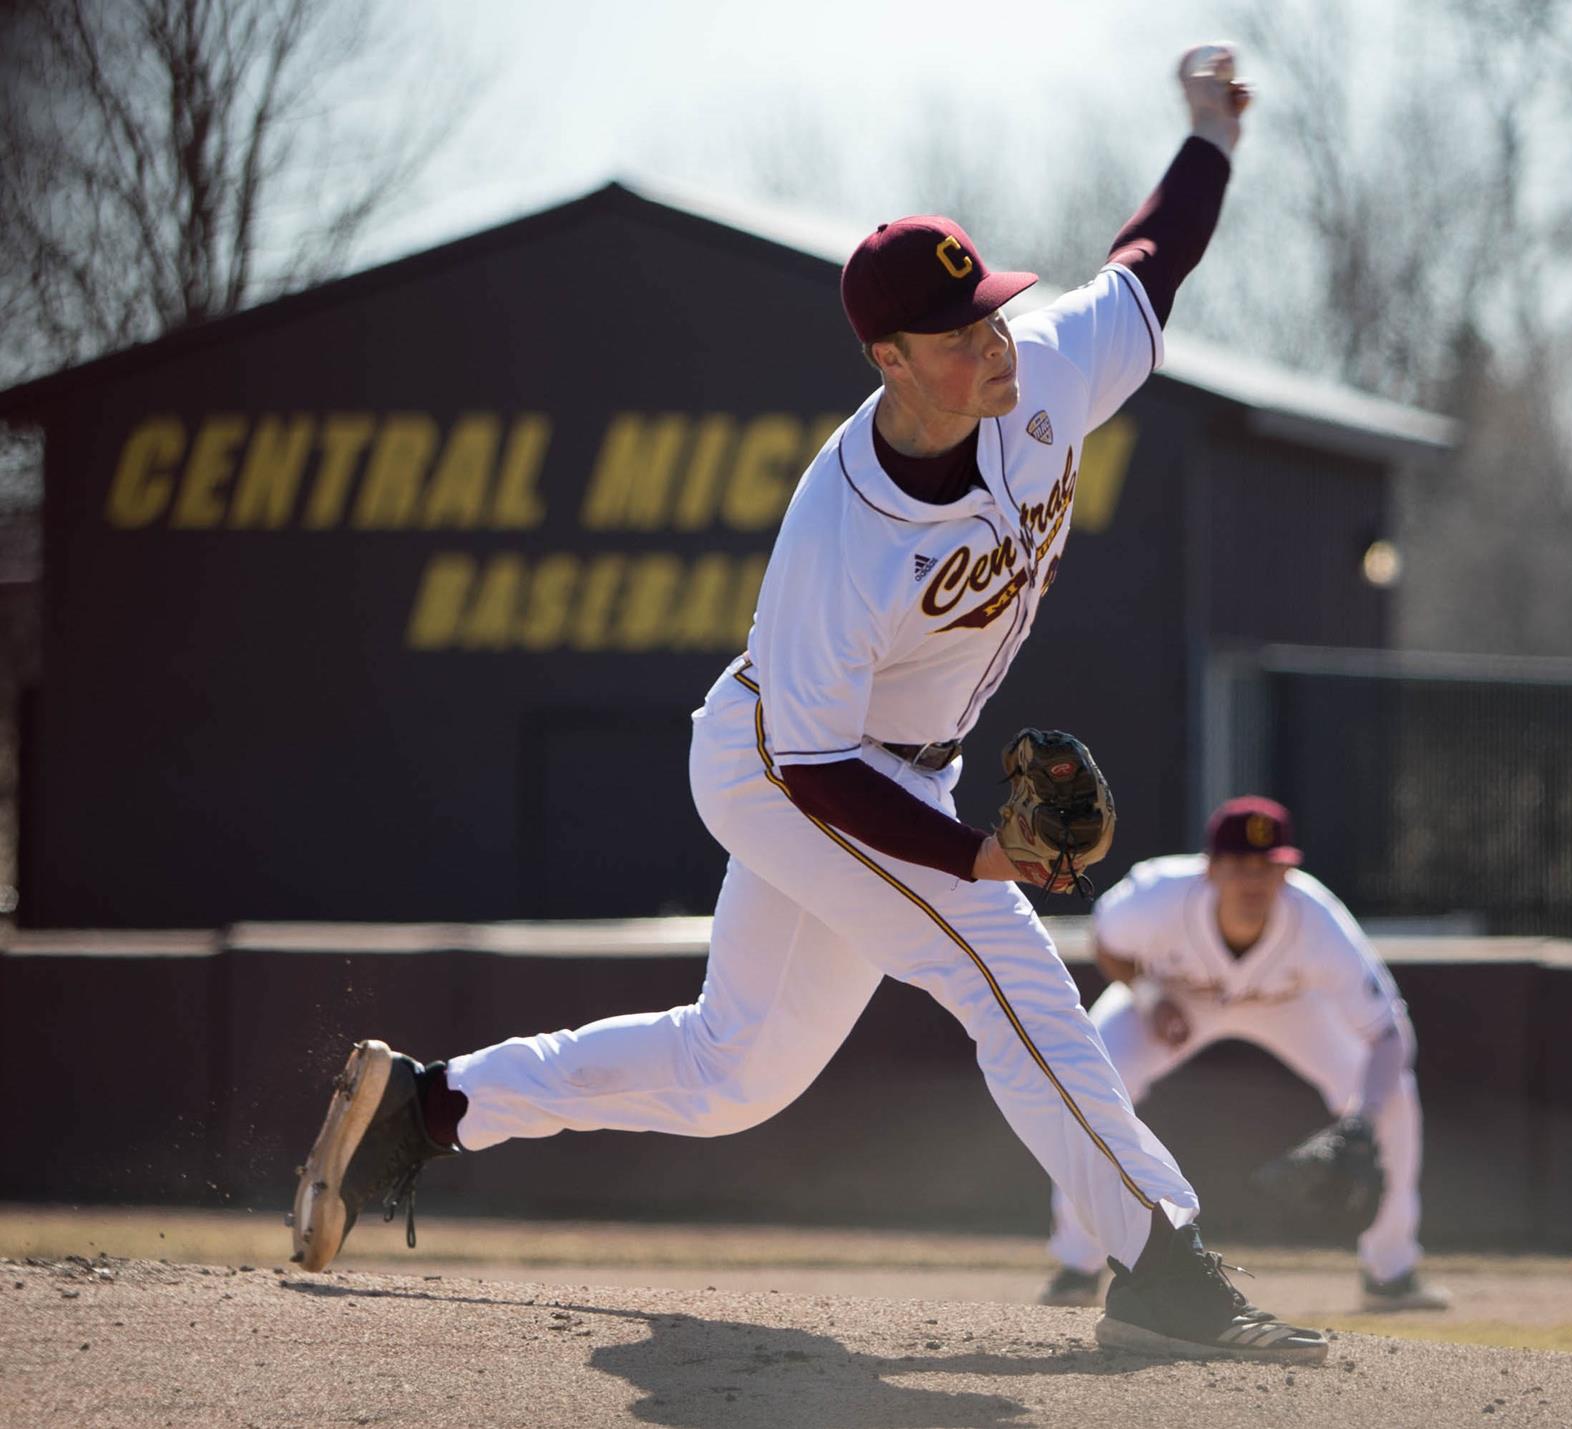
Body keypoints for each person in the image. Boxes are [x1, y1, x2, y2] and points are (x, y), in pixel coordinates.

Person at [289, 44, 1332, 1365]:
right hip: (787, 767)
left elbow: (1147, 266)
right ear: (889, 358)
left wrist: (1209, 134)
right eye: (960, 334)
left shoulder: (1044, 371)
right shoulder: (841, 533)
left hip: (894, 770)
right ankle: (1161, 1263)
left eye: (992, 309)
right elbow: (819, 770)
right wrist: (971, 855)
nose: (994, 340)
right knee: (999, 963)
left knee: (733, 1072)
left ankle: (428, 1109)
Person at [1039, 796, 1451, 1313]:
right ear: (1210, 868)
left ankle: (1391, 1272)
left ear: (1286, 872)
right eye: (1239, 865)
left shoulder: (1318, 920)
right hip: (1175, 995)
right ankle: (1076, 1264)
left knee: (1392, 1098)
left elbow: (1389, 1034)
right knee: (1087, 1080)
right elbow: (1106, 940)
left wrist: (1361, 1121)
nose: (1254, 880)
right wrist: (1147, 995)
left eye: (1268, 866)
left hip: (1290, 1004)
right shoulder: (1156, 896)